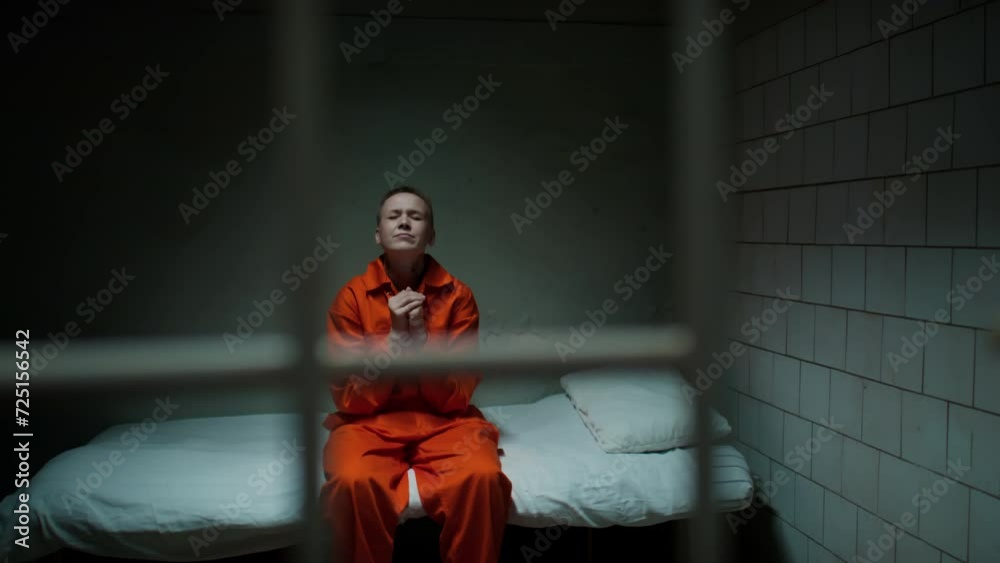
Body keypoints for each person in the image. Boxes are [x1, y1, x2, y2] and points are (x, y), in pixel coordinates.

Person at [320, 186, 512, 563]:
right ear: (378, 234)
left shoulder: (458, 296)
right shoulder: (352, 297)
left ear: (432, 235)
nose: (404, 221)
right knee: (353, 481)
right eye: (394, 216)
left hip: (445, 423)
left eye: (416, 216)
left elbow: (457, 397)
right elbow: (348, 398)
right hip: (368, 424)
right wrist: (393, 342)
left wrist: (423, 344)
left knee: (482, 477)